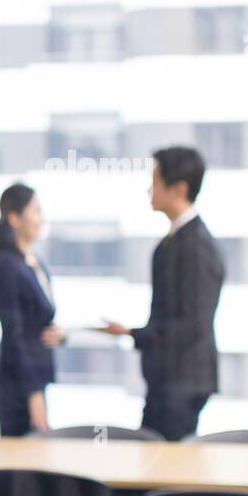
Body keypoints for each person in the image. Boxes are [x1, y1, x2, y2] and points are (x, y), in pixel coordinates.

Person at [97, 146, 224, 441]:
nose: (149, 189)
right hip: (169, 379)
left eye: (155, 180)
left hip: (181, 380)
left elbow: (193, 323)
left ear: (179, 188)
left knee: (162, 466)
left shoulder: (196, 247)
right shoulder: (177, 240)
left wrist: (134, 333)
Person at [0, 182, 65, 436]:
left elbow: (39, 320)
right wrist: (33, 394)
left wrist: (59, 335)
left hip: (37, 379)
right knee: (21, 468)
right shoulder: (6, 265)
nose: (41, 218)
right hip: (18, 386)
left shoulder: (35, 262)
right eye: (35, 210)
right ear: (14, 217)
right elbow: (15, 335)